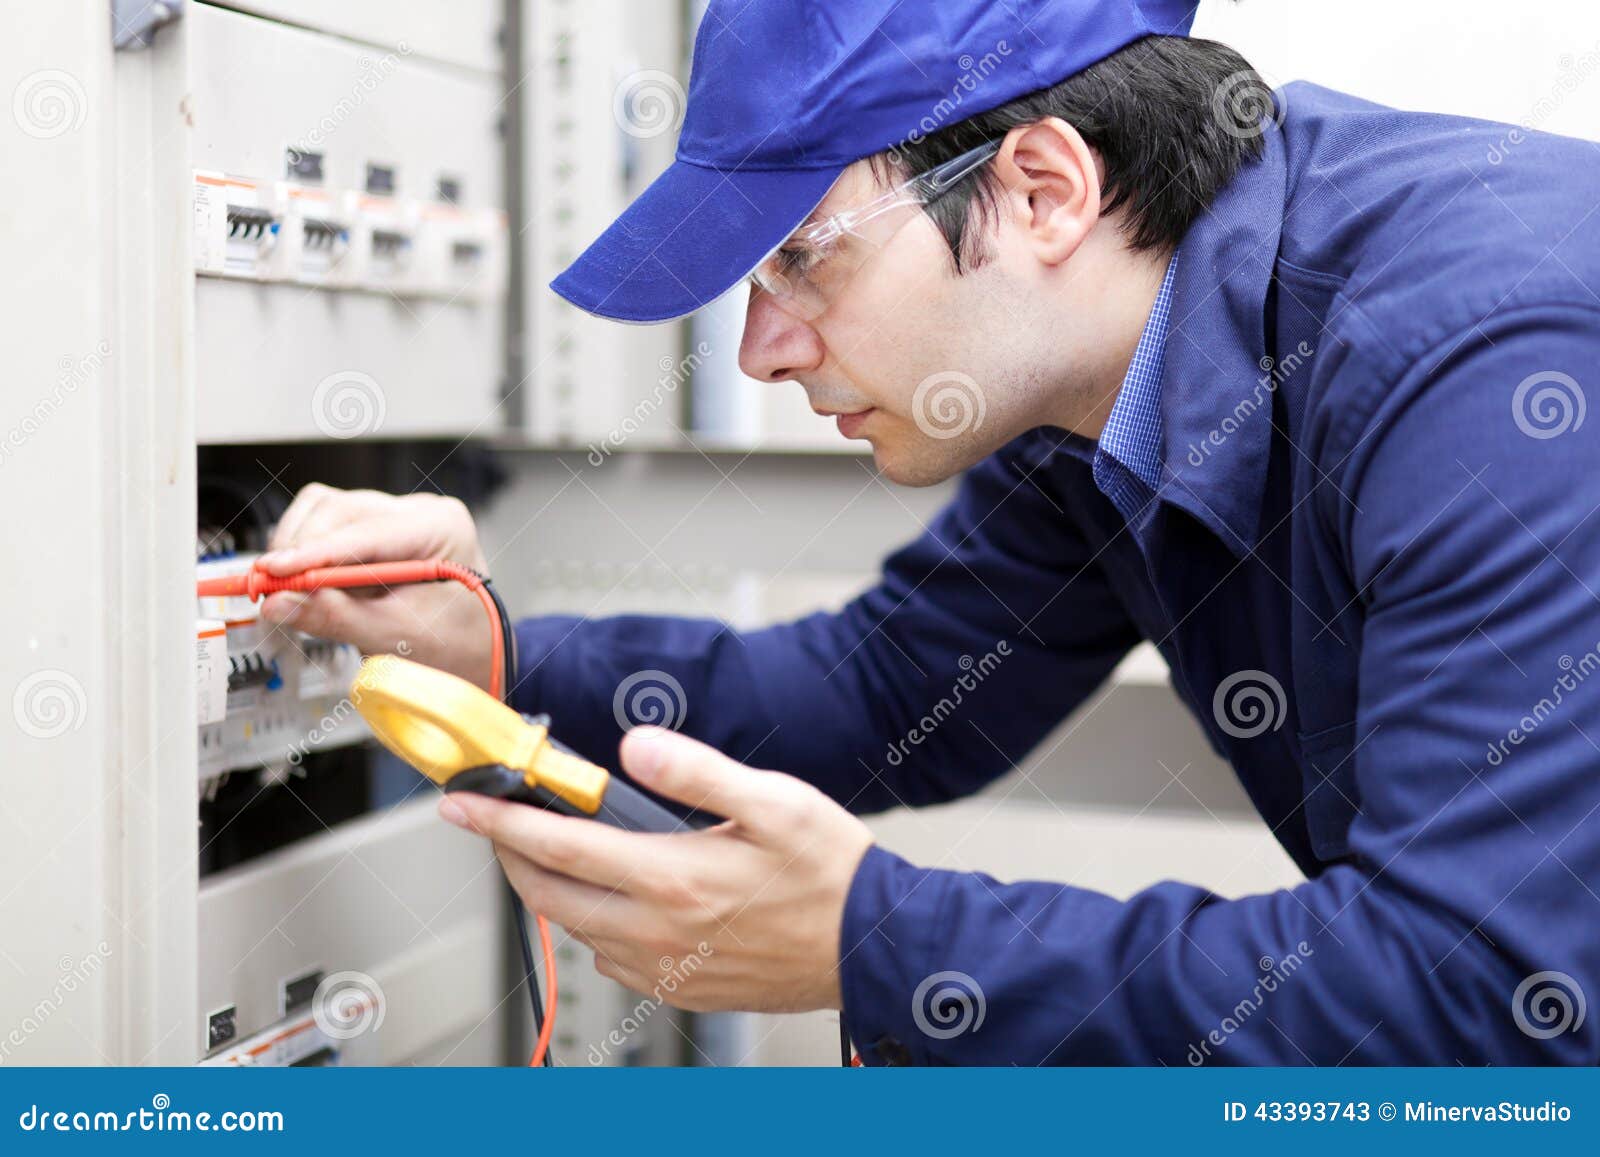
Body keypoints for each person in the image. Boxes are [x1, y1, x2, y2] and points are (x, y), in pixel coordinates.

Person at [256, 0, 1600, 1064]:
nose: (763, 348)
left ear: (1040, 192)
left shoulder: (1487, 363)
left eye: (800, 256)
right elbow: (893, 685)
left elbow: (1478, 999)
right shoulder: (1097, 380)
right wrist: (486, 654)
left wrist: (870, 937)